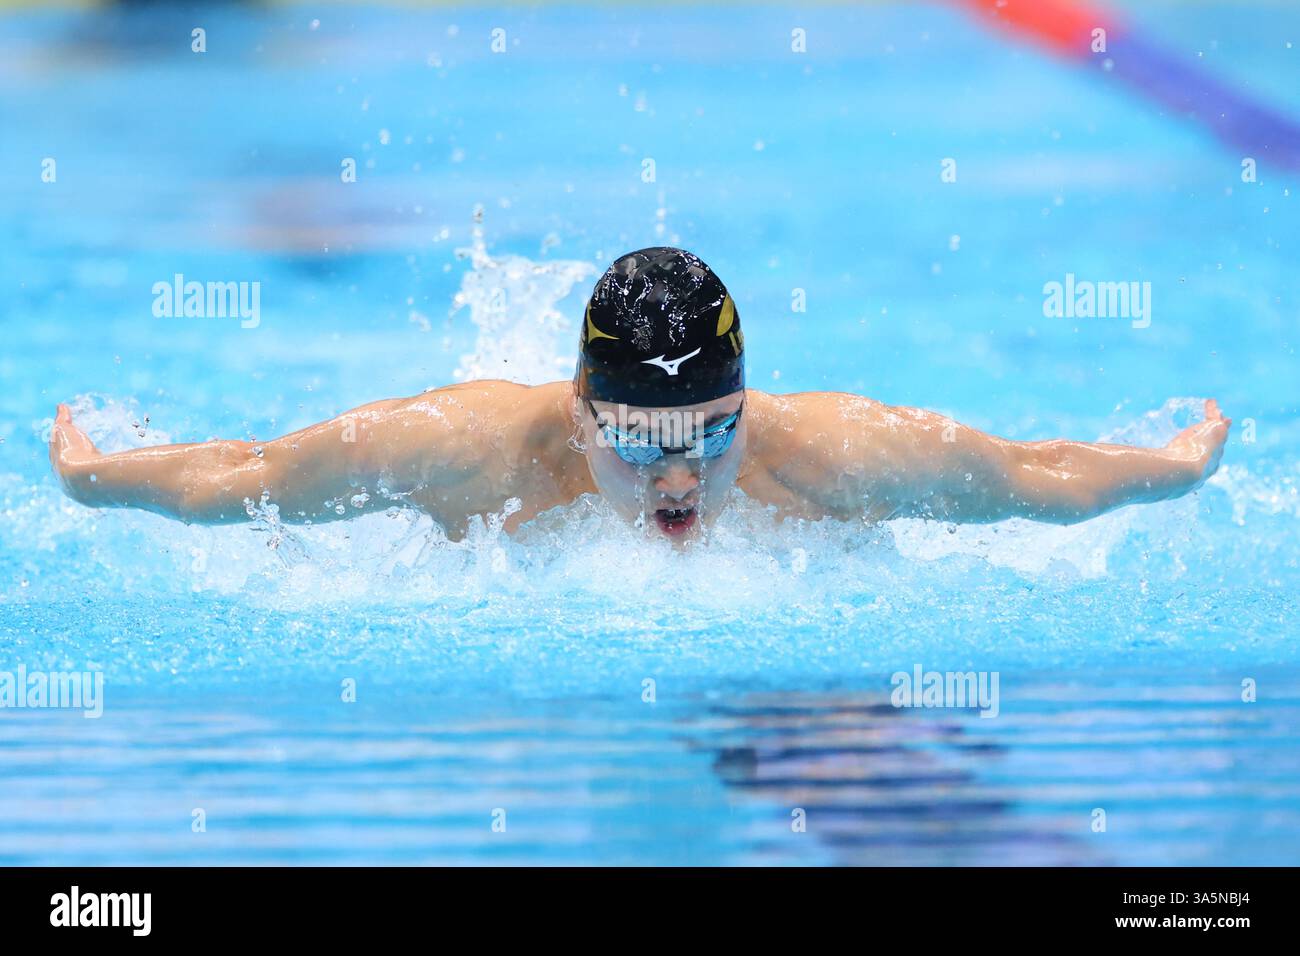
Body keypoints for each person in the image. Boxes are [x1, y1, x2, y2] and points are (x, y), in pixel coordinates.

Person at [49, 247, 1230, 544]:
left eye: (712, 435)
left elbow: (1033, 481)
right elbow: (243, 480)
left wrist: (1169, 470)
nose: (681, 477)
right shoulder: (463, 448)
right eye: (643, 441)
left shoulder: (828, 453)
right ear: (578, 409)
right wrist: (95, 479)